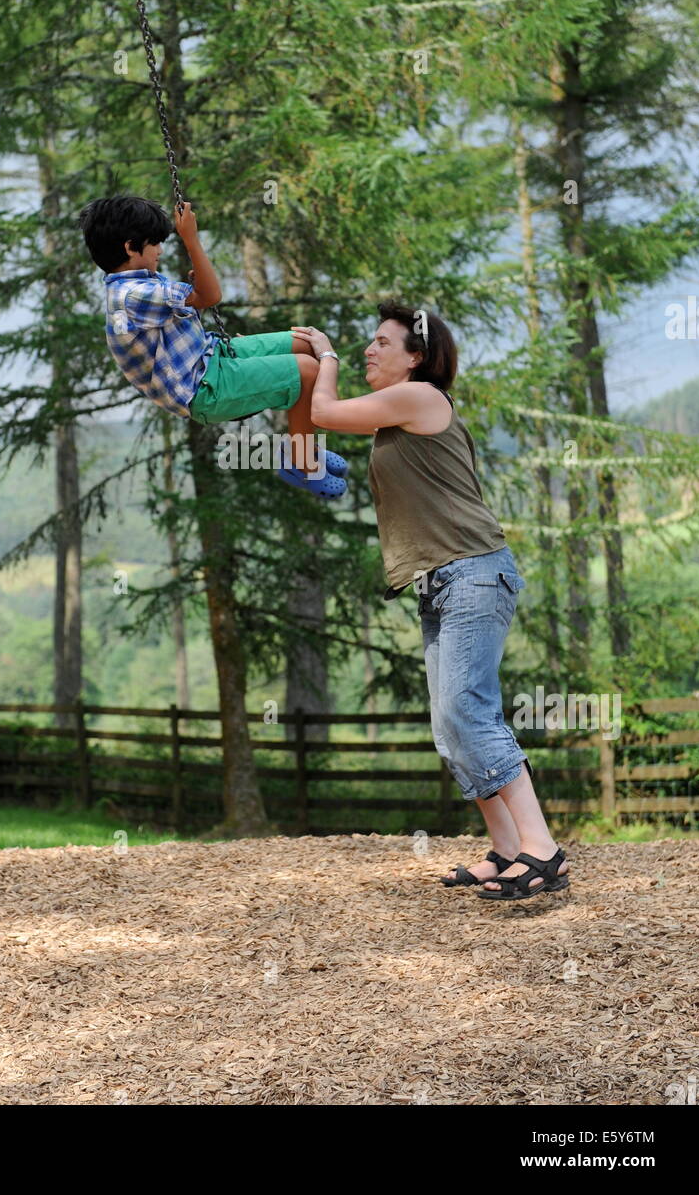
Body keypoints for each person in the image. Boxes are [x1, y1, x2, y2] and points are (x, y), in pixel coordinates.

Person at [291, 302, 570, 900]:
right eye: (367, 343)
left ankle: (543, 850)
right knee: (450, 725)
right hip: (440, 582)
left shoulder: (421, 396)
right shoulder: (396, 419)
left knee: (471, 713)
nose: (370, 350)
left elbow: (325, 411)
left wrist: (325, 355)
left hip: (471, 574)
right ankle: (505, 846)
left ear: (416, 358)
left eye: (380, 343)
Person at [78, 193, 348, 498]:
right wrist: (191, 240)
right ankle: (301, 462)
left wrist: (198, 289)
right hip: (203, 388)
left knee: (304, 345)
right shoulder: (132, 294)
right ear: (131, 247)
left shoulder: (139, 282)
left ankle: (303, 442)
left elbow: (190, 305)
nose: (161, 250)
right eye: (155, 243)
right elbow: (210, 296)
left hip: (211, 356)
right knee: (307, 371)